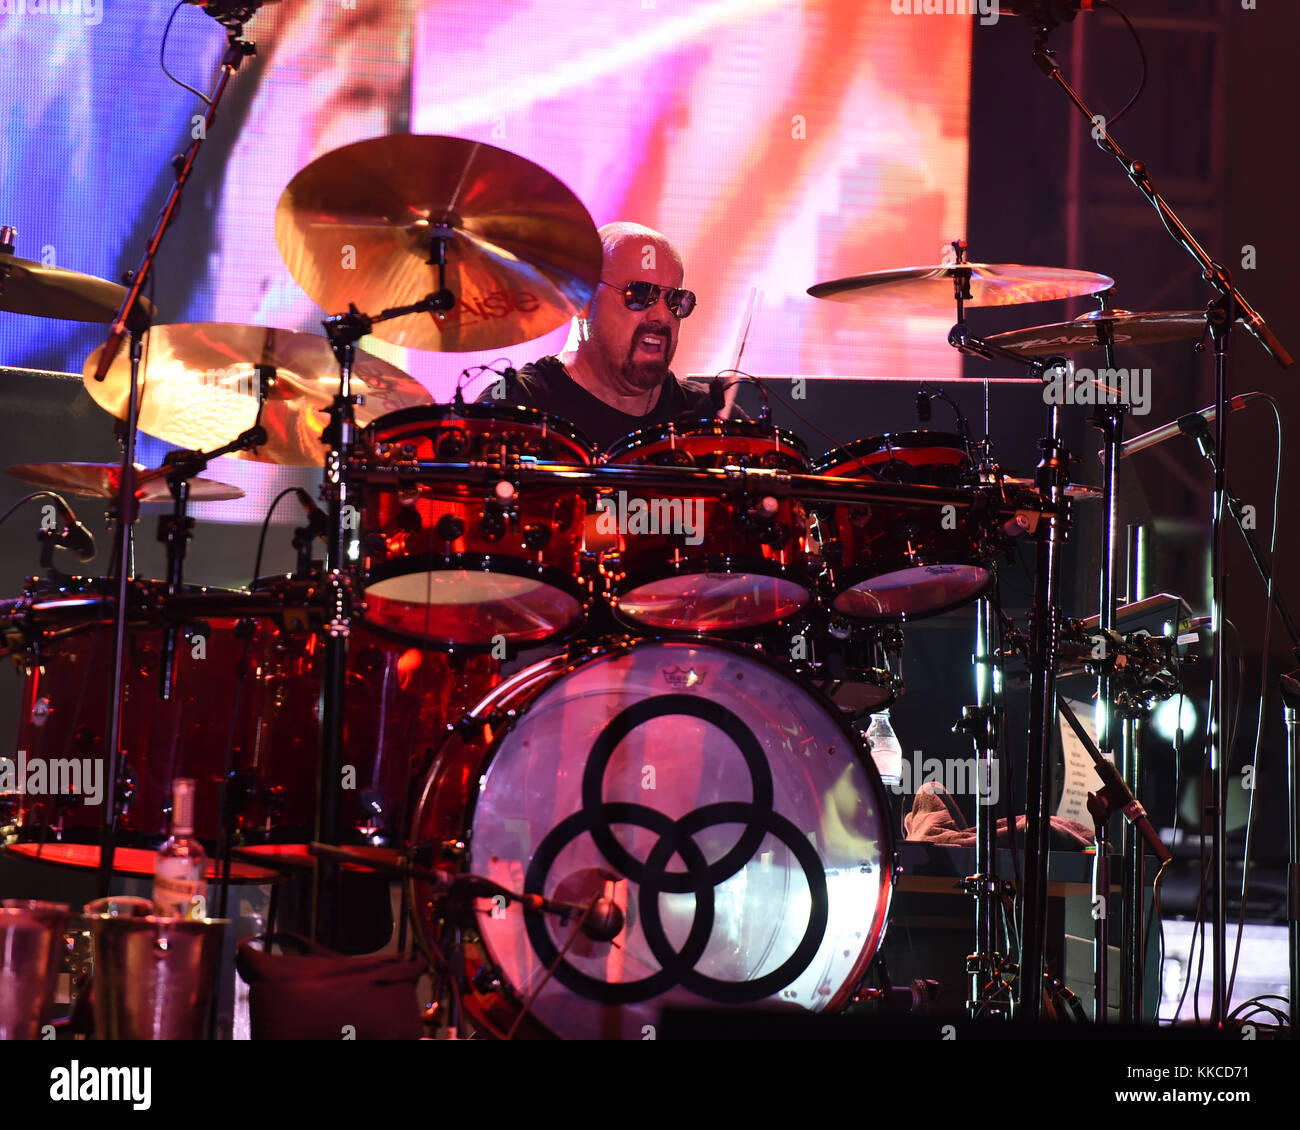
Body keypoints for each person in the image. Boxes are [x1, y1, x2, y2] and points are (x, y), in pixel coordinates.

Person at [480, 221, 725, 451]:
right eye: (640, 294)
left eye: (675, 300)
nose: (662, 315)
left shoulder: (710, 421)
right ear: (583, 299)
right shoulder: (514, 411)